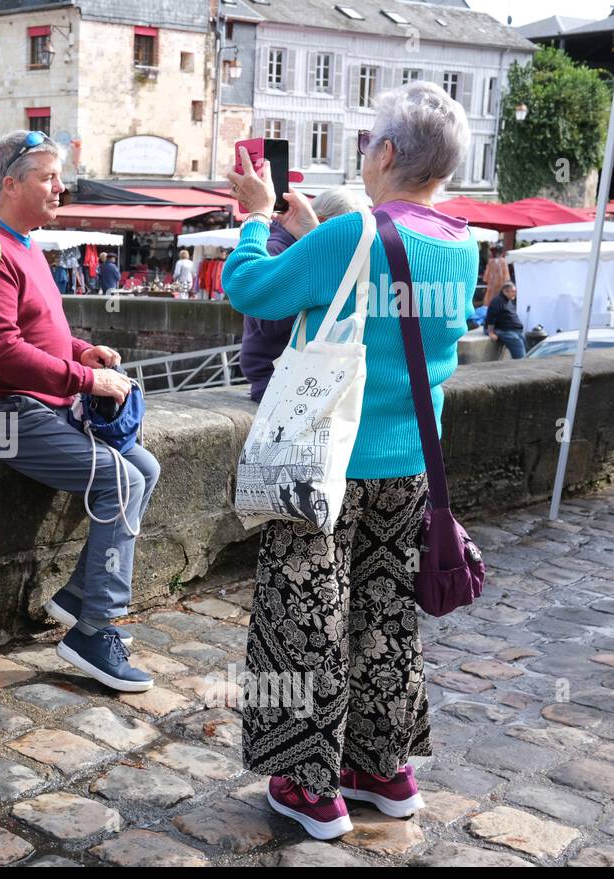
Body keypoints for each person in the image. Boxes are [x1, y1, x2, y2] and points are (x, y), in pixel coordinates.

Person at [223, 81, 478, 840]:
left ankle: (308, 788)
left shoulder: (355, 233)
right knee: (383, 617)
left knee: (302, 615)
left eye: (370, 140)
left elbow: (251, 287)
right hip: (410, 469)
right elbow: (379, 284)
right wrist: (310, 230)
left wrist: (252, 218)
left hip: (326, 465)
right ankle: (381, 768)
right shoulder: (462, 244)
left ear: (389, 152)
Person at [0, 129, 158, 692]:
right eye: (48, 178)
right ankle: (94, 629)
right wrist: (88, 378)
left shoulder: (26, 244)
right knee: (119, 478)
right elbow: (1, 351)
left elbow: (40, 335)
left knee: (147, 468)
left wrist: (80, 351)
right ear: (10, 183)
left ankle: (77, 596)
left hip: (31, 406)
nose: (59, 188)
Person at [240, 187, 369, 403]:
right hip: (276, 379)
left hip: (294, 375)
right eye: (344, 234)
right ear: (321, 221)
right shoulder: (277, 250)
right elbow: (269, 321)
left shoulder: (290, 247)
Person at [485, 281, 525, 358]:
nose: (515, 293)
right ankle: (522, 363)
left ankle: (528, 361)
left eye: (515, 291)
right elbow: (491, 317)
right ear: (505, 291)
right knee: (517, 341)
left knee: (524, 339)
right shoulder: (497, 301)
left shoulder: (509, 301)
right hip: (502, 330)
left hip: (514, 330)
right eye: (513, 291)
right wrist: (491, 333)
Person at [482, 240, 509, 308]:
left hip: (492, 285)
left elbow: (486, 276)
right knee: (499, 302)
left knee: (490, 302)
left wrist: (487, 280)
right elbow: (506, 277)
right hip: (500, 285)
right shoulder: (503, 261)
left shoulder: (491, 261)